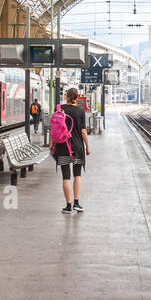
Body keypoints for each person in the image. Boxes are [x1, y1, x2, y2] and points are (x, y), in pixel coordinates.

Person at [50, 86, 89, 215]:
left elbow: (54, 130)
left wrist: (52, 144)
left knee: (66, 177)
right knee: (77, 175)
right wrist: (87, 147)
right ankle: (77, 203)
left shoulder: (60, 110)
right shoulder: (80, 111)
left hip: (63, 147)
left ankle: (68, 206)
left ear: (66, 96)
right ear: (77, 98)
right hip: (77, 147)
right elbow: (83, 131)